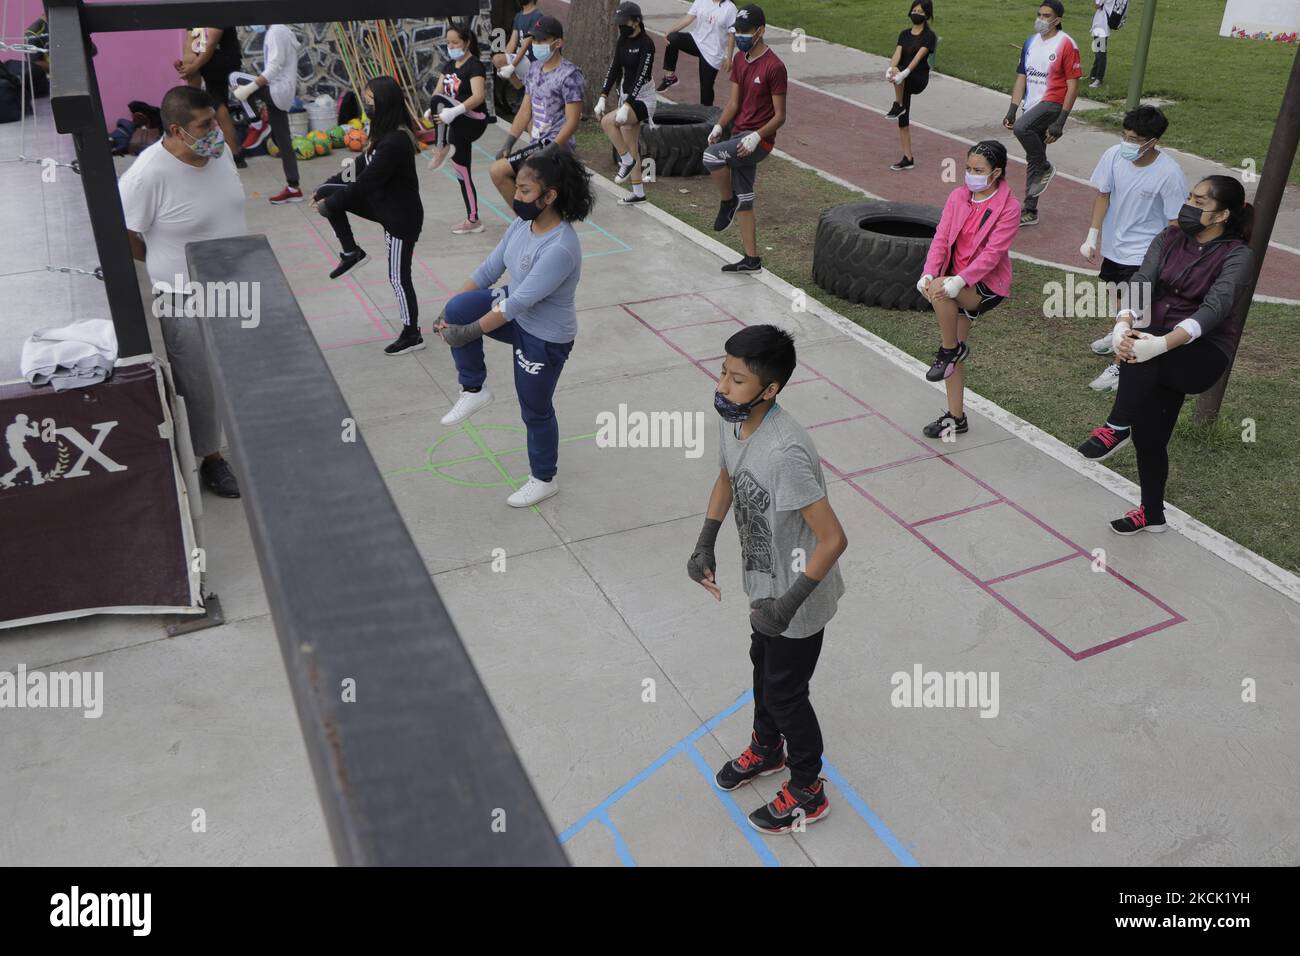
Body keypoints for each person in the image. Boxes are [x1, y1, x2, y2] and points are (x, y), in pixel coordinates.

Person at [687, 324, 848, 835]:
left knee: (786, 693)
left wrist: (787, 605)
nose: (722, 386)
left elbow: (833, 539)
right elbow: (725, 478)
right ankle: (768, 748)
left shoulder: (785, 453)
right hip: (763, 585)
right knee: (762, 670)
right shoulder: (733, 423)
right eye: (723, 373)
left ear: (770, 390)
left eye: (736, 380)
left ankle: (808, 787)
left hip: (798, 599)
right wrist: (705, 541)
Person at [1075, 177, 1255, 535]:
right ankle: (1152, 514)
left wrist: (1160, 342)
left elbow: (1215, 307)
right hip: (1152, 352)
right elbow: (1143, 280)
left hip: (1201, 354)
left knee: (1149, 343)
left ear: (1221, 215)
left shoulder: (1238, 255)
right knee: (1151, 438)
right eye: (1189, 196)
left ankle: (1116, 427)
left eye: (1199, 201)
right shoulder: (1169, 237)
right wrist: (1122, 324)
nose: (1188, 205)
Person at [433, 149, 593, 509]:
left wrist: (467, 332)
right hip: (516, 317)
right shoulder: (522, 225)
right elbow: (488, 271)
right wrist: (447, 315)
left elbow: (516, 303)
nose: (516, 198)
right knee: (458, 308)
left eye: (523, 191)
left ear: (549, 196)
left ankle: (543, 479)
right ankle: (473, 389)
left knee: (534, 408)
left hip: (544, 337)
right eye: (517, 189)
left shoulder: (561, 248)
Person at [118, 85, 246, 498]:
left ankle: (244, 441)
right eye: (205, 125)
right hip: (183, 296)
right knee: (198, 383)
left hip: (237, 285)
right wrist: (164, 263)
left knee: (238, 371)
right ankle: (211, 458)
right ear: (176, 130)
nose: (216, 131)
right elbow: (127, 235)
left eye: (215, 120)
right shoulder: (147, 174)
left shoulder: (219, 153)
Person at [312, 76, 424, 357]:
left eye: (370, 101)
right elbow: (362, 164)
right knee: (326, 191)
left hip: (400, 219)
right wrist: (332, 182)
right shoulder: (382, 134)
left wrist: (332, 204)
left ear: (383, 103)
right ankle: (351, 252)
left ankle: (412, 334)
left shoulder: (396, 142)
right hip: (384, 206)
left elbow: (366, 182)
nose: (366, 105)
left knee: (398, 278)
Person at [915, 141, 1021, 440]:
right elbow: (941, 237)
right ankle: (955, 417)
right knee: (939, 290)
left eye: (979, 170)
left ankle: (949, 350)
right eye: (969, 168)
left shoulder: (1009, 208)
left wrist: (957, 280)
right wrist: (928, 272)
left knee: (942, 293)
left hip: (985, 285)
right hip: (952, 280)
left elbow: (993, 254)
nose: (971, 175)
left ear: (996, 172)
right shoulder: (958, 197)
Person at [1080, 106, 1186, 392]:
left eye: (1136, 139)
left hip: (1144, 252)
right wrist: (1092, 236)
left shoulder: (1169, 173)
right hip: (1114, 246)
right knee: (1118, 298)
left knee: (1135, 308)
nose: (1128, 143)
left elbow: (1175, 222)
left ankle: (1119, 366)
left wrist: (1164, 258)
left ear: (1154, 141)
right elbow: (1104, 195)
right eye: (1125, 136)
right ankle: (1117, 331)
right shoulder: (1113, 156)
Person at [702, 4, 787, 274]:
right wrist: (719, 126)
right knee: (746, 199)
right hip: (739, 134)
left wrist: (756, 136)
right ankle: (752, 259)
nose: (740, 36)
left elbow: (780, 116)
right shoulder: (739, 59)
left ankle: (727, 202)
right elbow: (734, 103)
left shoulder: (775, 67)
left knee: (711, 157)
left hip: (758, 142)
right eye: (737, 31)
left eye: (745, 32)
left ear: (760, 31)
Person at [489, 15, 585, 208]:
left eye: (542, 40)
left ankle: (531, 221)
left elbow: (573, 120)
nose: (536, 44)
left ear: (558, 43)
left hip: (555, 146)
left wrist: (549, 150)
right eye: (534, 40)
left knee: (512, 177)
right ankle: (527, 221)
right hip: (536, 143)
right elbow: (525, 110)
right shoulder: (534, 68)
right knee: (501, 173)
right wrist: (509, 142)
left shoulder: (570, 75)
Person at [1002, 1, 1081, 227]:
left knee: (1021, 130)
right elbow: (1022, 77)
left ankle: (1046, 166)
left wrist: (1060, 121)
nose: (1041, 19)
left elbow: (1073, 86)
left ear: (1057, 19)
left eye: (1047, 15)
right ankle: (1030, 209)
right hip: (1032, 106)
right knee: (1032, 159)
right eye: (1039, 14)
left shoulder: (1067, 44)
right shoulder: (1030, 42)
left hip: (1053, 103)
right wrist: (1012, 109)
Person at [425, 21, 491, 235]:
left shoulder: (475, 66)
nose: (451, 46)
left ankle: (440, 146)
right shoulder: (448, 66)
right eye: (448, 43)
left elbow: (479, 96)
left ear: (467, 42)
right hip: (455, 125)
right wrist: (431, 110)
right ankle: (473, 219)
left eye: (455, 42)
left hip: (474, 118)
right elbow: (437, 93)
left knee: (439, 102)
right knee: (462, 171)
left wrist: (454, 111)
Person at [232, 23, 302, 203]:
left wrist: (249, 89)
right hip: (282, 92)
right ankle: (293, 187)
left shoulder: (276, 31)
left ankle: (257, 124)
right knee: (282, 140)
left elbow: (274, 68)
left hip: (276, 89)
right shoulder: (282, 30)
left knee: (234, 78)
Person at [597, 2, 657, 205]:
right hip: (626, 97)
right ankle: (638, 192)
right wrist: (603, 96)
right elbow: (614, 68)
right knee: (631, 145)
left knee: (607, 122)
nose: (621, 26)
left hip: (642, 100)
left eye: (625, 22)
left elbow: (642, 75)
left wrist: (628, 105)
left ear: (637, 21)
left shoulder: (647, 43)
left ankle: (626, 161)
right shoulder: (622, 41)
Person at [176, 26, 247, 168]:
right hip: (212, 58)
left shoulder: (214, 11)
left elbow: (211, 43)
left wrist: (192, 66)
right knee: (214, 101)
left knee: (217, 102)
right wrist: (187, 68)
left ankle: (234, 154)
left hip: (222, 58)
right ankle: (234, 154)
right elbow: (192, 44)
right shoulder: (203, 12)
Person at [884, 1, 937, 172]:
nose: (916, 13)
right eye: (914, 10)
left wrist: (903, 73)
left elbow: (918, 58)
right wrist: (891, 69)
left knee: (899, 76)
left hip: (917, 78)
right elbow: (897, 53)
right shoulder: (904, 34)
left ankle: (898, 105)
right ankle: (908, 158)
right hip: (902, 79)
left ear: (926, 15)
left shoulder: (929, 36)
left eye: (920, 11)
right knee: (903, 121)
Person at [656, 0, 737, 107]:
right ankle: (670, 77)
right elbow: (688, 18)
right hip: (696, 40)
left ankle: (707, 112)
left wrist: (729, 58)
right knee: (672, 38)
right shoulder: (701, 1)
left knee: (706, 88)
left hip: (712, 52)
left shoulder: (730, 8)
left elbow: (732, 34)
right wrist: (669, 31)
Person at [492, 0, 543, 93]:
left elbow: (526, 43)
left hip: (532, 61)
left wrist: (512, 65)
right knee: (499, 60)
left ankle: (524, 91)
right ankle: (522, 91)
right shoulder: (518, 16)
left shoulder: (537, 15)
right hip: (520, 59)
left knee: (498, 59)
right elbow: (512, 42)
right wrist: (503, 61)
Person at [1087, 0, 1126, 88]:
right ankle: (1093, 74)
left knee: (1100, 52)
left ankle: (1098, 78)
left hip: (1101, 25)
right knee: (1098, 51)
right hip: (1103, 25)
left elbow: (1097, 5)